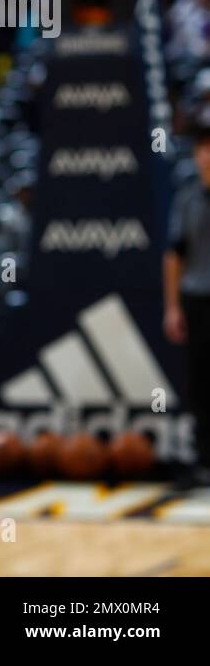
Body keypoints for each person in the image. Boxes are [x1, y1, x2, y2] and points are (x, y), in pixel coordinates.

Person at [163, 109, 210, 488]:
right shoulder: (187, 198)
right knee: (198, 383)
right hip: (197, 299)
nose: (207, 154)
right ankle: (201, 461)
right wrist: (173, 306)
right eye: (202, 147)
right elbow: (173, 255)